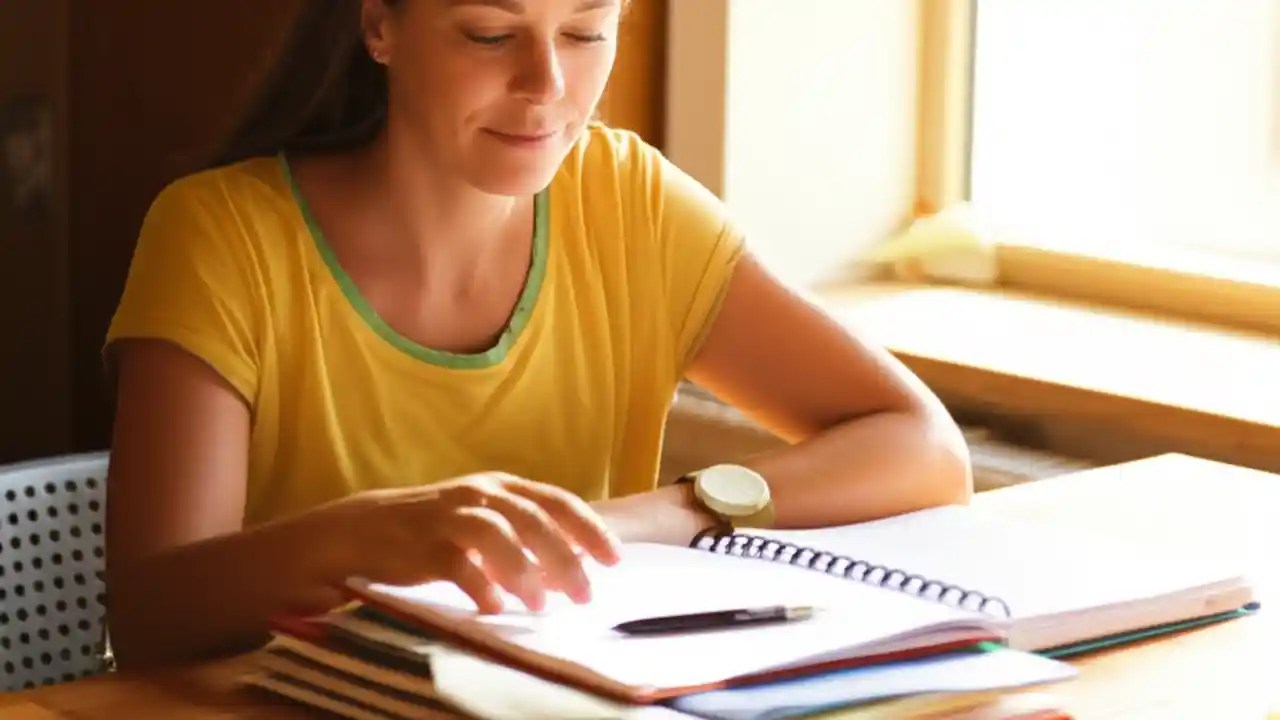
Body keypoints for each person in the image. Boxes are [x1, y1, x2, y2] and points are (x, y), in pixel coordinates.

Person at [103, 0, 972, 670]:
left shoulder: (630, 204)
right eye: (489, 34)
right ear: (379, 25)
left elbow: (925, 449)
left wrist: (658, 516)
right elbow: (150, 619)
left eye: (587, 32)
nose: (547, 85)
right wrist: (369, 538)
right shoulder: (218, 234)